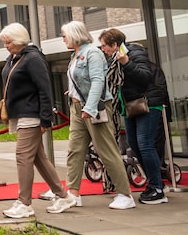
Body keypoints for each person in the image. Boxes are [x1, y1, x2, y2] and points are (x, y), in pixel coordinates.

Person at [0, 23, 72, 219]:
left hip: (31, 114)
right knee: (38, 158)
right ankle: (63, 196)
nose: (6, 45)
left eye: (8, 42)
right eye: (4, 42)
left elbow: (44, 90)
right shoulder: (15, 57)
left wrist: (45, 119)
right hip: (21, 113)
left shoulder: (32, 58)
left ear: (19, 40)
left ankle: (24, 203)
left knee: (23, 157)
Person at [58, 20, 135, 211]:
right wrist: (74, 93)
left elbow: (98, 81)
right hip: (78, 107)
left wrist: (90, 107)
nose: (63, 39)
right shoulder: (76, 55)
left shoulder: (92, 53)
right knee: (75, 150)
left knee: (106, 150)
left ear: (75, 35)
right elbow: (83, 80)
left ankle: (125, 194)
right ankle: (73, 194)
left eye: (65, 35)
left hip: (95, 107)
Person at [99, 28, 170, 204]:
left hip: (147, 103)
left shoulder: (134, 53)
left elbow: (145, 77)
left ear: (114, 44)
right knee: (135, 144)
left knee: (145, 144)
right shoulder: (113, 59)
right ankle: (156, 182)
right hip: (130, 105)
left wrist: (127, 62)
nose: (103, 49)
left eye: (104, 46)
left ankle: (157, 189)